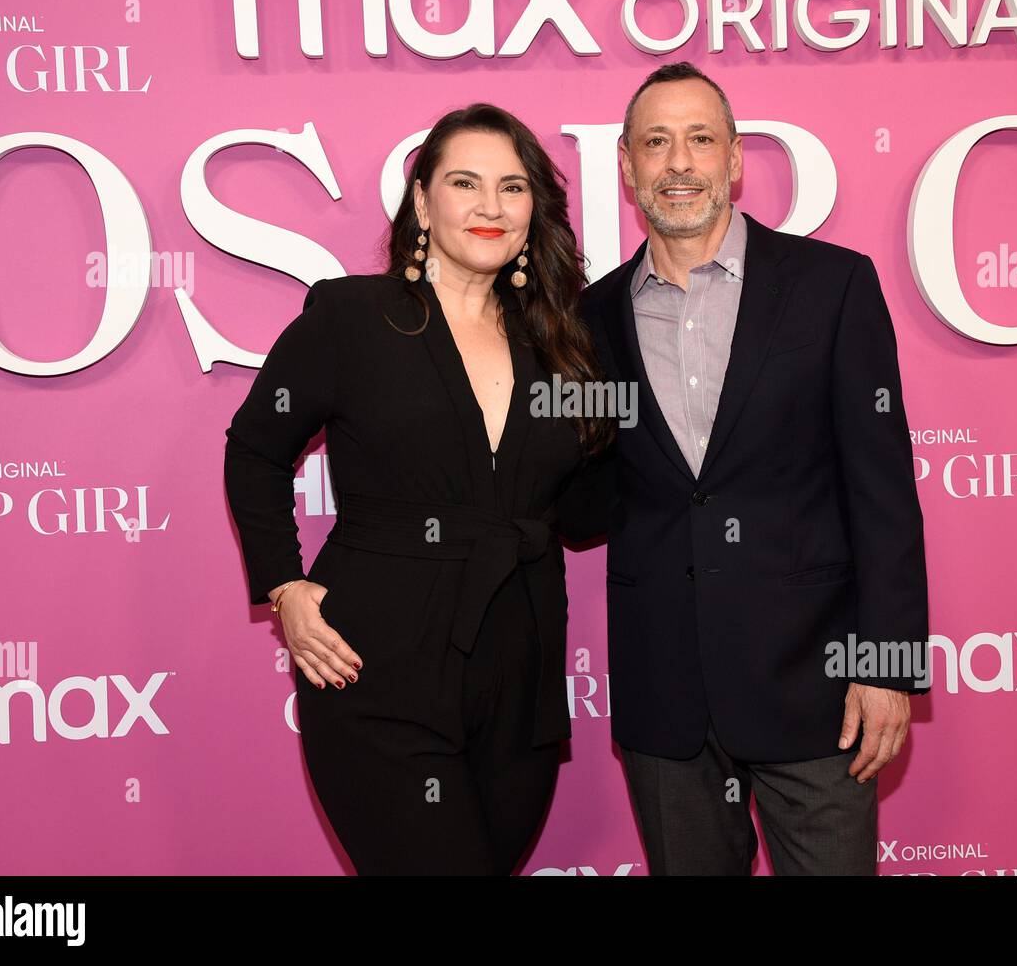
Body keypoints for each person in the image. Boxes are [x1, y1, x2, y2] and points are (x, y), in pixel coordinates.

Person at [223, 103, 614, 875]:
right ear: (424, 203)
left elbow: (583, 506)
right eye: (465, 183)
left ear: (536, 209)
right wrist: (285, 585)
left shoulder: (562, 341)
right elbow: (254, 449)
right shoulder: (352, 318)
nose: (491, 207)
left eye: (512, 187)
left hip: (521, 679)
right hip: (377, 670)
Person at [577, 62, 931, 875]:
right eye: (656, 143)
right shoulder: (589, 317)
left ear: (734, 161)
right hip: (667, 699)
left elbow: (881, 490)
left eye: (700, 140)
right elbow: (582, 506)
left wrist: (886, 667)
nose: (679, 163)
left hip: (817, 692)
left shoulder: (832, 286)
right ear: (628, 168)